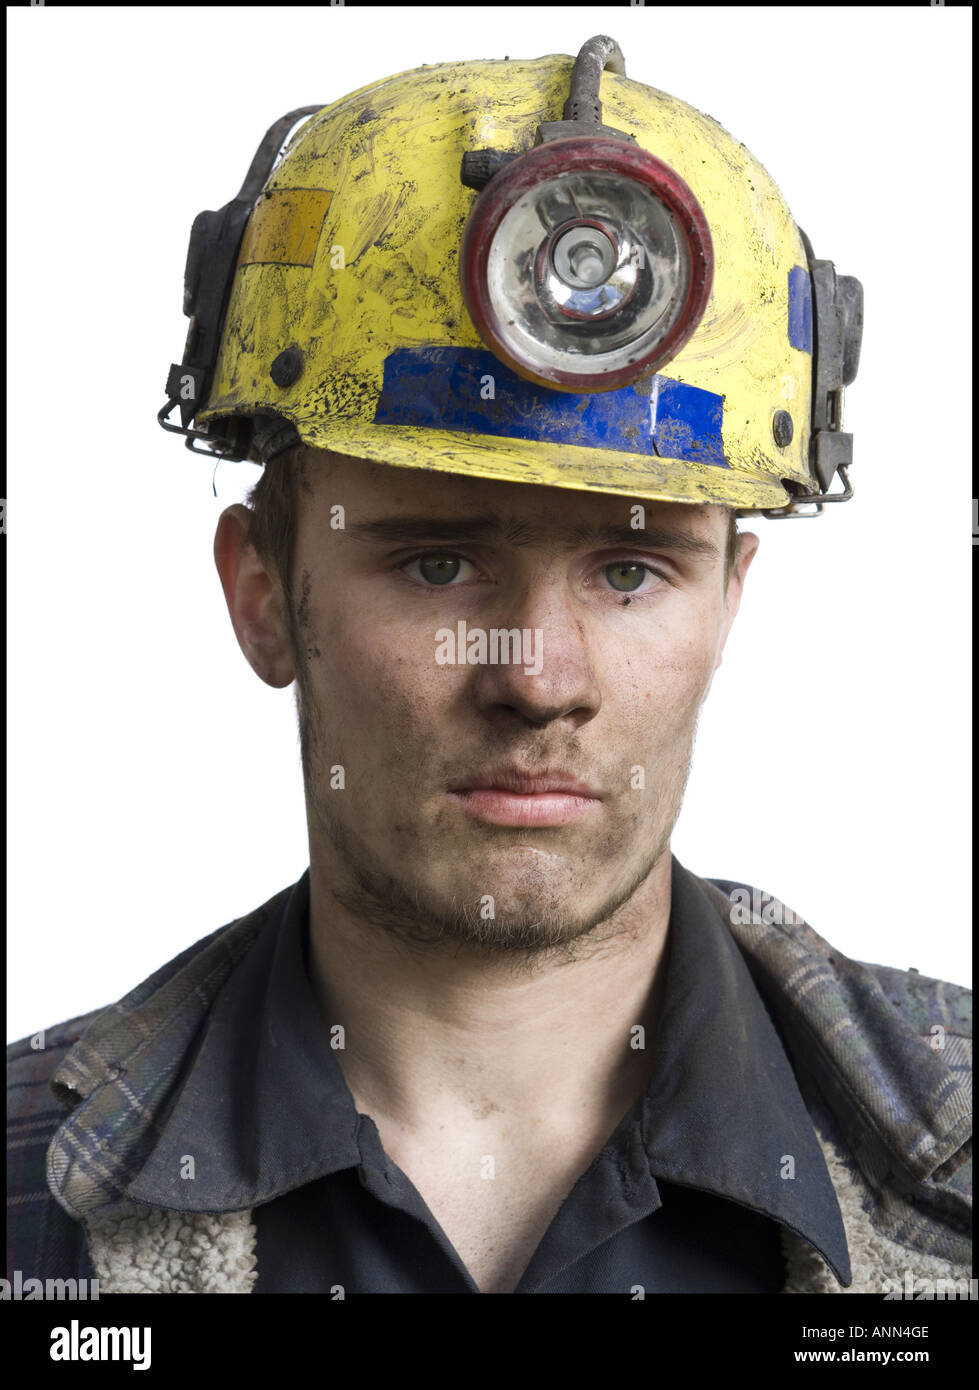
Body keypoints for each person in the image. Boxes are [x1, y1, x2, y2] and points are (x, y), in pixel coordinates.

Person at [7, 36, 970, 1296]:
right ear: (260, 597)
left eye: (630, 573)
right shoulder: (30, 1190)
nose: (539, 678)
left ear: (729, 605)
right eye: (436, 564)